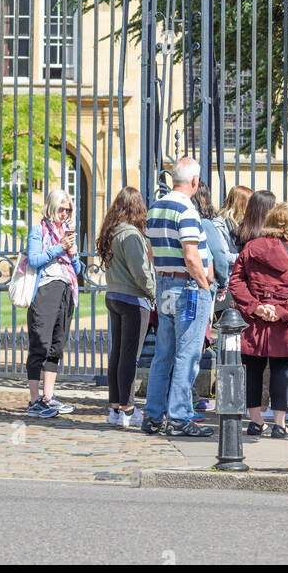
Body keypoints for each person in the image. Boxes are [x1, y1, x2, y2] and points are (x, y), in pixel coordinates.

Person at [229, 202, 288, 438]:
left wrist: (256, 307)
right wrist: (282, 311)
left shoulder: (251, 247)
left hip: (256, 318)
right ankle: (280, 424)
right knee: (281, 369)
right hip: (286, 321)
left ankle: (255, 421)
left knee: (253, 369)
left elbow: (236, 283)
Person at [142, 156, 215, 438]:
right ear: (195, 181)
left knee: (164, 353)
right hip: (189, 288)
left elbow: (151, 251)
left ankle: (153, 413)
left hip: (165, 285)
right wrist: (205, 285)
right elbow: (191, 255)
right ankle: (179, 417)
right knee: (188, 354)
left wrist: (164, 273)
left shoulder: (155, 208)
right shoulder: (186, 209)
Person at [97, 187, 156, 428]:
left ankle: (115, 407)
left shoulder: (111, 231)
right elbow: (140, 271)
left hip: (114, 294)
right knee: (129, 356)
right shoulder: (130, 234)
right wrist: (154, 292)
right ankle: (128, 409)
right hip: (133, 299)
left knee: (118, 353)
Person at [25, 189, 81, 418]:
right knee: (40, 343)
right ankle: (34, 400)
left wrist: (74, 254)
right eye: (62, 209)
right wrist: (60, 247)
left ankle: (49, 396)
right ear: (52, 207)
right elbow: (34, 259)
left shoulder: (67, 232)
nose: (65, 213)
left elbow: (77, 271)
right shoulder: (38, 231)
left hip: (66, 290)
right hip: (45, 291)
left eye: (68, 210)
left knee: (57, 346)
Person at [212, 185, 252, 269]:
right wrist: (248, 257)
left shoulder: (247, 223)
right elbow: (223, 256)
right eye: (251, 203)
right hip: (230, 275)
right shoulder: (220, 224)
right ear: (242, 204)